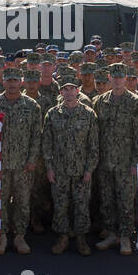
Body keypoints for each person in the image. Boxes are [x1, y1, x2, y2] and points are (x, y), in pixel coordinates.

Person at [93, 66, 138, 256]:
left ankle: (126, 236)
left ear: (125, 79)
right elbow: (95, 133)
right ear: (109, 78)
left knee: (126, 200)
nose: (117, 80)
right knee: (107, 200)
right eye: (114, 77)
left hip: (126, 162)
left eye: (121, 77)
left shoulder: (135, 102)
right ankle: (111, 233)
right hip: (105, 160)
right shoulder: (100, 102)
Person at [0, 69, 43, 256]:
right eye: (8, 80)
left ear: (21, 82)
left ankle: (20, 236)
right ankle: (1, 235)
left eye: (15, 80)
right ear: (3, 83)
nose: (11, 84)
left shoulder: (32, 105)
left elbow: (37, 135)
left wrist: (32, 159)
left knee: (23, 201)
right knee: (0, 201)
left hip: (23, 165)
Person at [41, 81, 98, 255]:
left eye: (72, 89)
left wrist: (89, 169)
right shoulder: (52, 114)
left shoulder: (88, 114)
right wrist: (49, 168)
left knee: (81, 205)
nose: (69, 92)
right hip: (59, 170)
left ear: (78, 91)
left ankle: (81, 239)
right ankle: (63, 237)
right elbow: (47, 144)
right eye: (65, 89)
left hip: (81, 170)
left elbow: (94, 145)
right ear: (61, 92)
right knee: (60, 205)